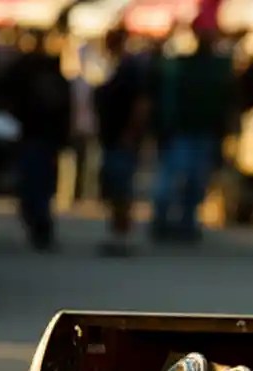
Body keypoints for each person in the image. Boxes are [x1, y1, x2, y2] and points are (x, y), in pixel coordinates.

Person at [150, 21, 234, 244]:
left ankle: (184, 222)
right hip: (182, 132)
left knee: (193, 182)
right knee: (173, 180)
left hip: (201, 132)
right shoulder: (181, 65)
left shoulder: (215, 67)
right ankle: (165, 221)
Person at [7, 32, 71, 252]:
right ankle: (39, 226)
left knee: (36, 187)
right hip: (37, 138)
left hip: (38, 138)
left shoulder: (38, 74)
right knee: (37, 187)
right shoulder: (35, 74)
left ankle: (40, 226)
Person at [94, 27, 149, 256]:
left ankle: (122, 236)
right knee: (115, 187)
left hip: (121, 138)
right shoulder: (115, 68)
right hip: (112, 137)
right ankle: (118, 234)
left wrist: (131, 133)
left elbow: (140, 104)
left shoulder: (129, 70)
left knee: (121, 188)